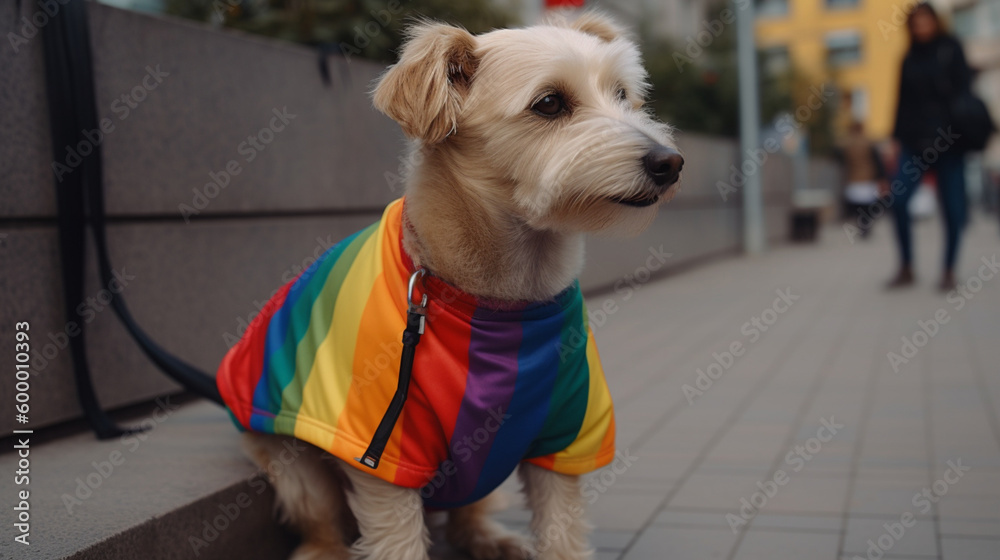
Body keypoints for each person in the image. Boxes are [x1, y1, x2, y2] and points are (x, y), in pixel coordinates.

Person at [887, 2, 972, 291]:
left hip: (950, 142)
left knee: (953, 210)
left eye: (926, 21)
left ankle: (948, 270)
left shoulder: (951, 48)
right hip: (914, 143)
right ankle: (907, 266)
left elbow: (965, 93)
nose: (921, 27)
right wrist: (894, 141)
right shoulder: (908, 58)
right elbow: (901, 103)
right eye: (916, 22)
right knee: (898, 201)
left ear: (935, 22)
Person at [838, 121, 887, 239]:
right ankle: (866, 227)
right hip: (868, 178)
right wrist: (882, 176)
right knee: (868, 206)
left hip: (853, 179)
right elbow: (878, 162)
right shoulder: (869, 142)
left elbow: (841, 160)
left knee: (858, 207)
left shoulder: (847, 144)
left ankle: (862, 226)